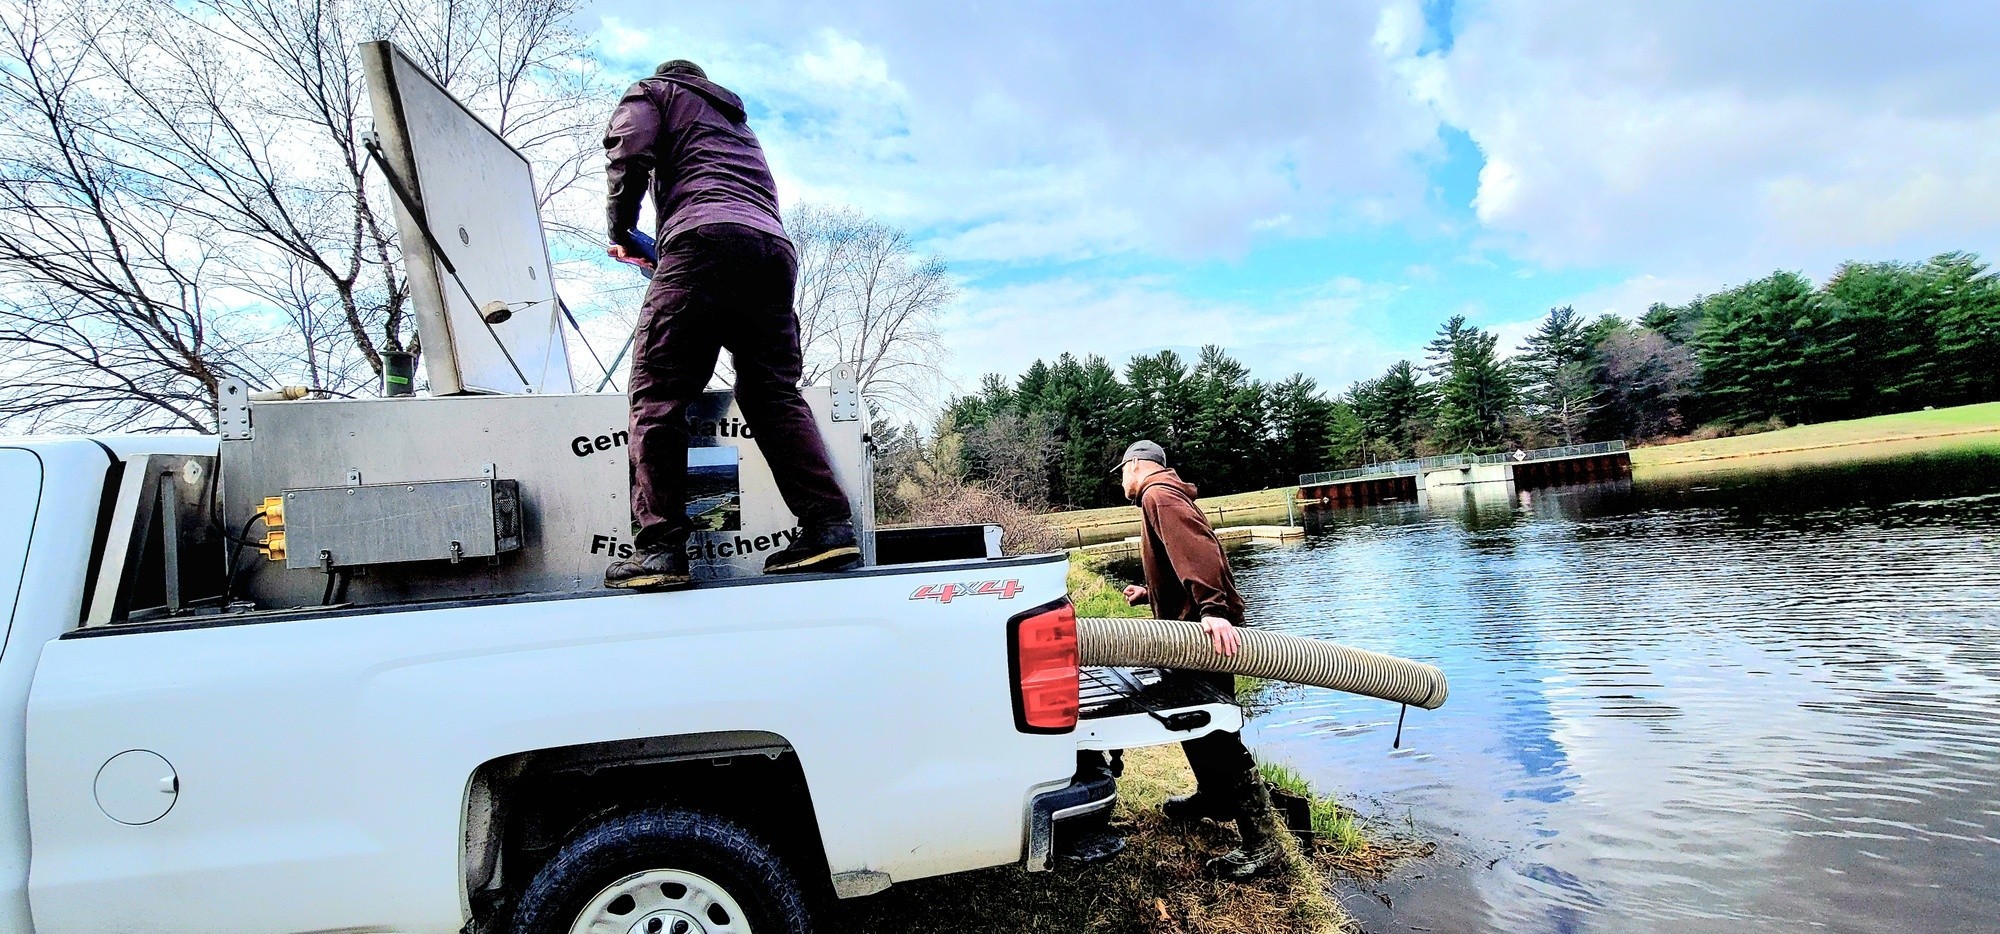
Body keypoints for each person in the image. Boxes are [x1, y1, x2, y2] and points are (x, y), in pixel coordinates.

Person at [599, 60, 859, 588]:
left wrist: (622, 228)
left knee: (658, 397)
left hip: (702, 245)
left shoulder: (653, 92)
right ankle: (828, 527)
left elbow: (629, 151)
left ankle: (660, 549)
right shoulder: (739, 126)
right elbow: (729, 213)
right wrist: (661, 252)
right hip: (770, 253)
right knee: (772, 394)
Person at [1115, 440, 1290, 880]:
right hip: (1187, 632)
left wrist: (1213, 609)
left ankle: (1264, 843)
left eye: (1122, 471)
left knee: (1212, 727)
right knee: (1191, 719)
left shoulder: (1158, 495)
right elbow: (1178, 560)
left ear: (1137, 466)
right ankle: (1212, 796)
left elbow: (1201, 552)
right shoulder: (1162, 494)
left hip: (1201, 638)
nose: (1121, 479)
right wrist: (1148, 593)